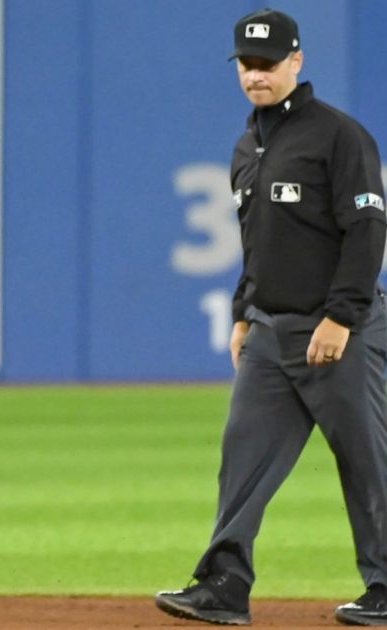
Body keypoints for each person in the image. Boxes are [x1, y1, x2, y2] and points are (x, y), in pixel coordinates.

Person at [154, 8, 387, 627]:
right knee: (244, 455)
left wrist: (341, 316)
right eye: (247, 65)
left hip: (341, 330)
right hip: (269, 330)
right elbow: (257, 242)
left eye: (268, 63)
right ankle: (225, 584)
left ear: (297, 61)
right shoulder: (248, 143)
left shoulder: (339, 136)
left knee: (367, 459)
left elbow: (368, 229)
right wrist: (241, 314)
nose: (256, 75)